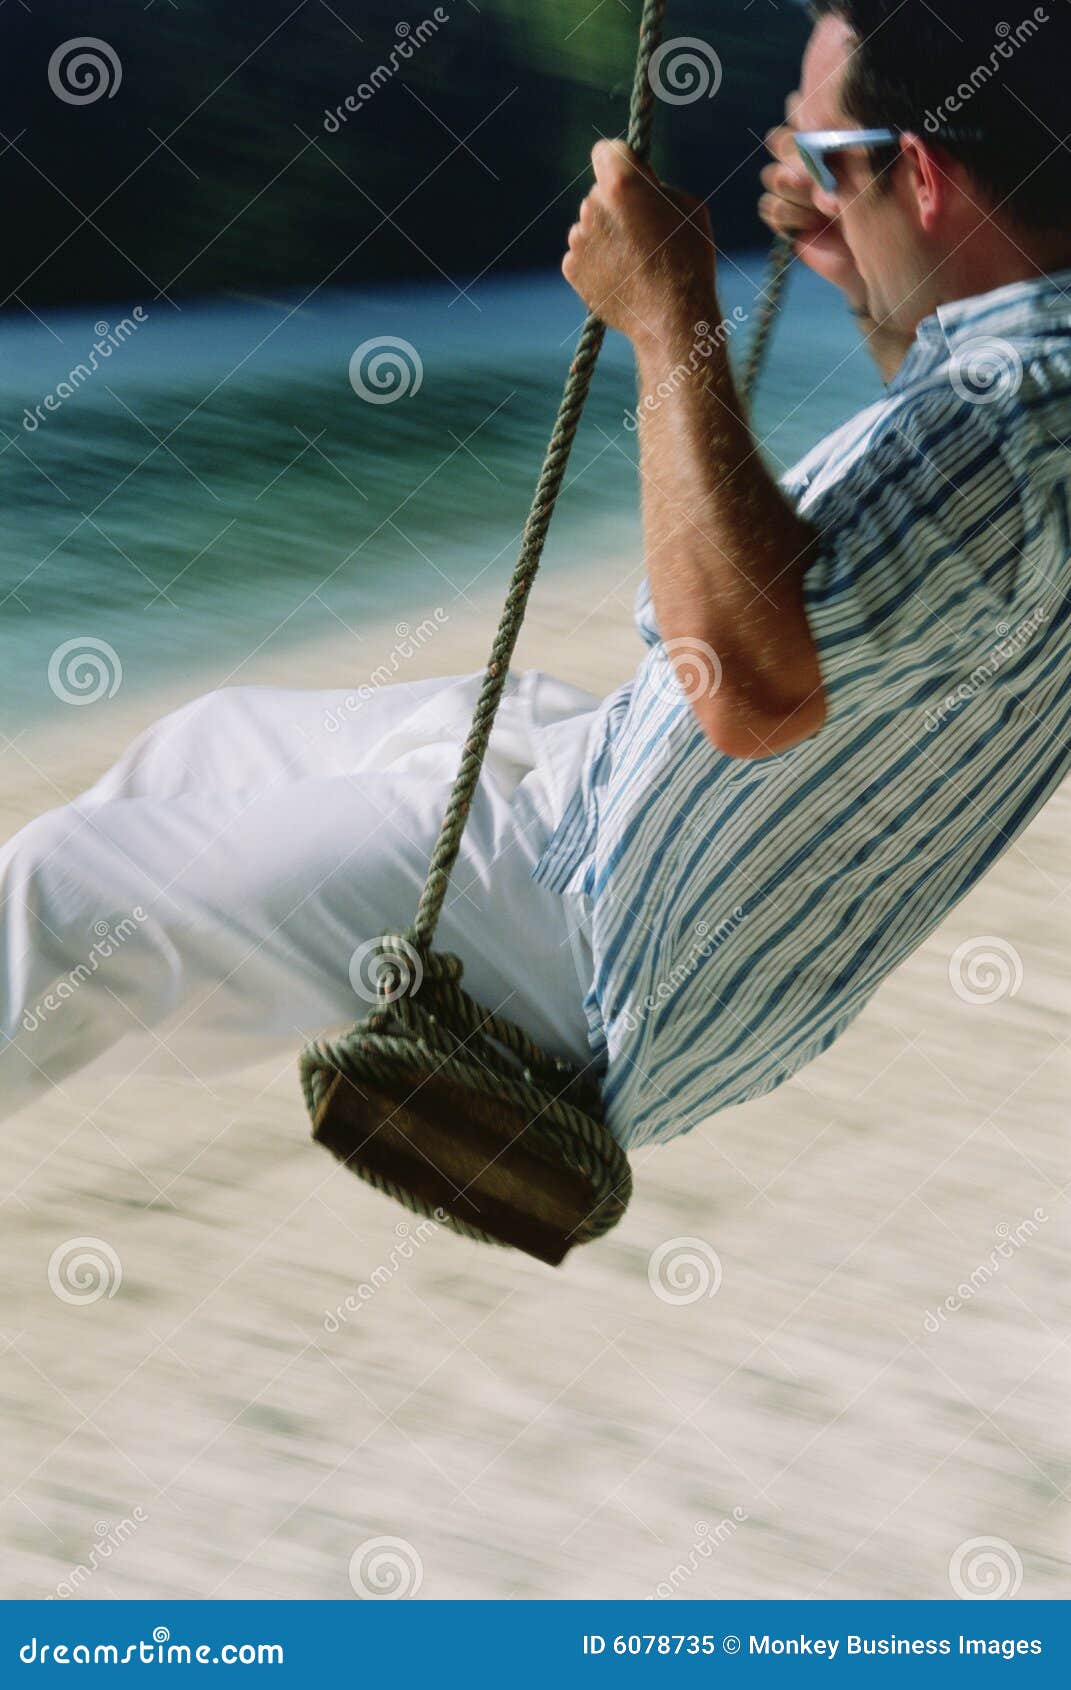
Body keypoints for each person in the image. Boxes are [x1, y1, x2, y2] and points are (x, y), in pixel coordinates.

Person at [4, 0, 1071, 1152]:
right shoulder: (1019, 369)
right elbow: (911, 550)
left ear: (922, 176)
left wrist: (669, 317)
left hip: (598, 932)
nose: (804, 187)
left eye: (825, 160)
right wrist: (855, 259)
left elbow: (755, 688)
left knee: (60, 898)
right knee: (201, 747)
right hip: (602, 776)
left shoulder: (1011, 425)